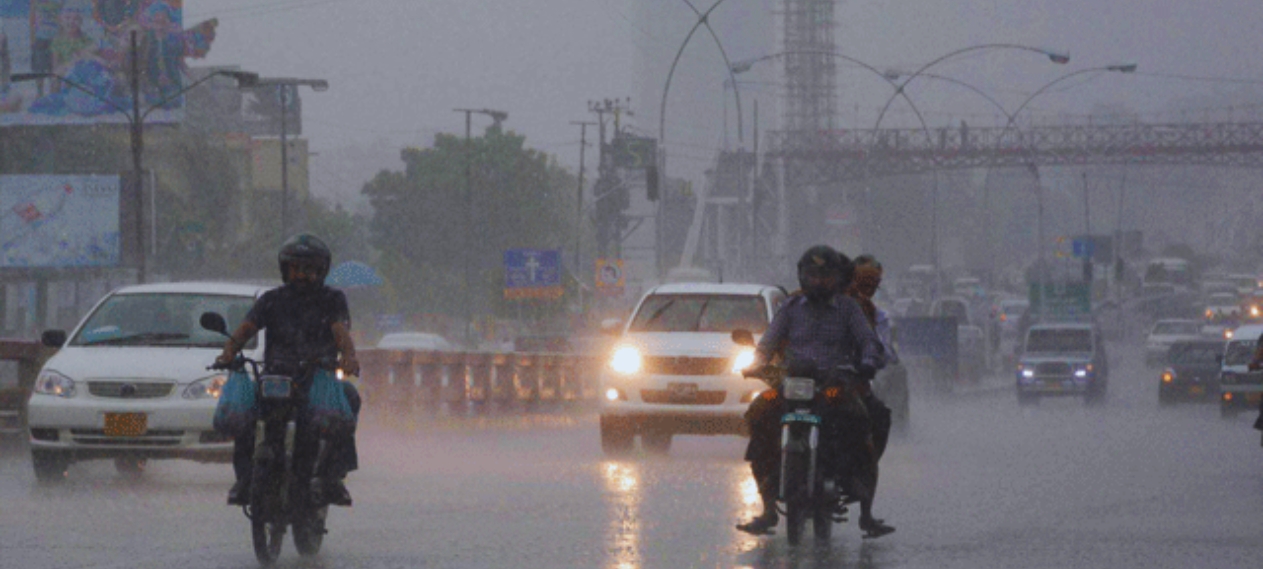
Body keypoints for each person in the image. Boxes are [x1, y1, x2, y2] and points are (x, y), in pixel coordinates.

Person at [736, 245, 895, 538]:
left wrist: (868, 362)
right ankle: (768, 507)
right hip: (791, 384)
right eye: (811, 275)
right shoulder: (790, 308)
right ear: (801, 276)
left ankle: (866, 512)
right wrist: (756, 364)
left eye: (825, 276)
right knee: (758, 413)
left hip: (836, 386)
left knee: (864, 421)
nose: (818, 282)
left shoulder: (850, 309)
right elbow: (767, 344)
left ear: (837, 279)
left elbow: (868, 341)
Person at [216, 233, 362, 507]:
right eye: (296, 267)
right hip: (275, 377)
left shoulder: (332, 299)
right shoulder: (271, 300)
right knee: (246, 420)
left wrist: (349, 357)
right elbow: (247, 328)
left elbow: (340, 331)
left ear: (321, 271)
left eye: (309, 269)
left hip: (317, 377)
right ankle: (244, 480)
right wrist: (227, 353)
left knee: (349, 398)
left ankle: (332, 478)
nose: (302, 274)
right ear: (286, 269)